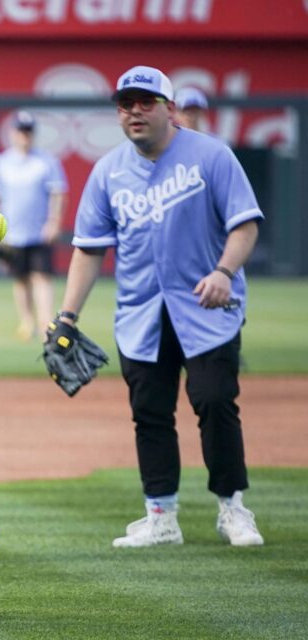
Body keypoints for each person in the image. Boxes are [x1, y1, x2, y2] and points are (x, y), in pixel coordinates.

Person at [57, 65, 265, 548]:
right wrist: (66, 317)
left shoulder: (212, 156)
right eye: (125, 103)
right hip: (141, 312)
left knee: (215, 401)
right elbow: (88, 249)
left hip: (206, 308)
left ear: (169, 108)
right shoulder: (108, 171)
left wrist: (224, 272)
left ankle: (232, 508)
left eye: (145, 102)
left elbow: (245, 224)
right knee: (149, 413)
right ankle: (161, 516)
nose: (134, 111)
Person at [0, 110, 67, 342]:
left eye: (28, 131)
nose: (25, 136)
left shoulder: (47, 161)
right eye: (21, 131)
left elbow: (58, 193)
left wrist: (54, 222)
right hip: (11, 232)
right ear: (12, 133)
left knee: (42, 276)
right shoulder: (1, 163)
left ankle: (45, 323)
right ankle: (27, 321)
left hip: (39, 231)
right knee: (20, 278)